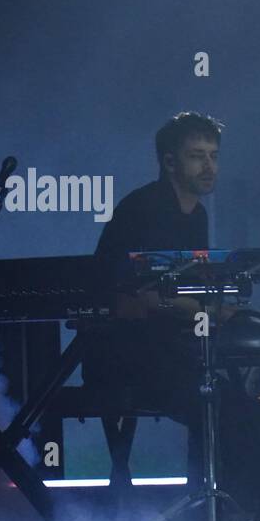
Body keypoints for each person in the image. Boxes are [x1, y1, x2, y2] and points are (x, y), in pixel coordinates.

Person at [84, 112, 226, 489]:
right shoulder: (143, 209)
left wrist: (213, 307)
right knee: (212, 402)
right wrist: (200, 312)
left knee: (229, 397)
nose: (209, 165)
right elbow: (133, 295)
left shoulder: (197, 214)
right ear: (169, 162)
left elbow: (189, 286)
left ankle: (210, 507)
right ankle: (203, 511)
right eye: (198, 155)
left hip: (169, 344)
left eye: (213, 155)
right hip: (123, 352)